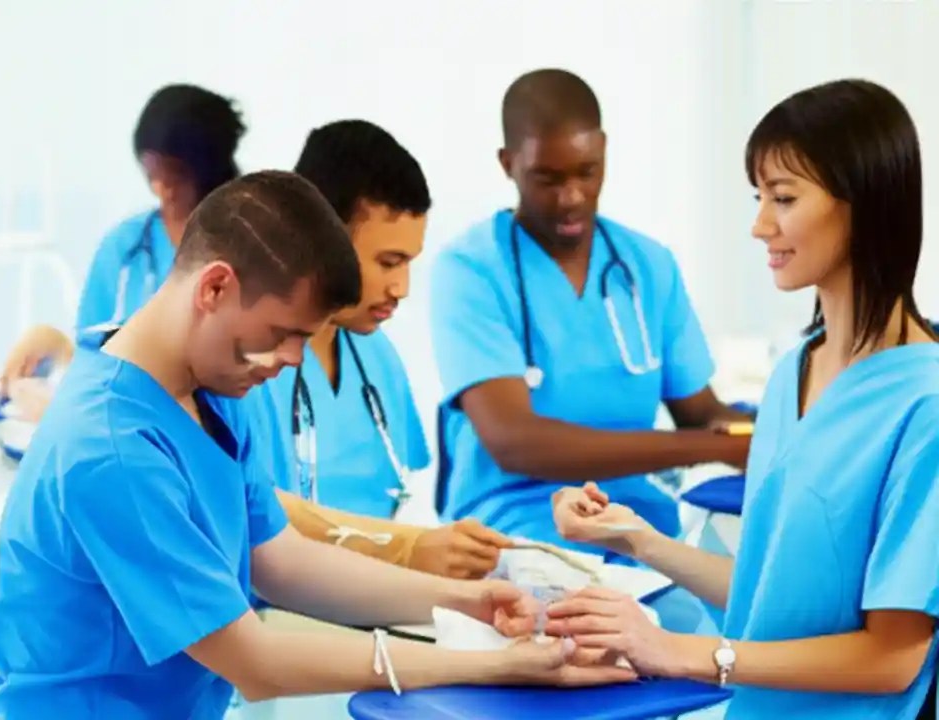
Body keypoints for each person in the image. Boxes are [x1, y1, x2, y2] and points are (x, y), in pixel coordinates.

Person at [0, 171, 635, 719]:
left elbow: (277, 559)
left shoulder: (202, 387)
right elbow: (255, 663)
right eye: (281, 333)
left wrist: (467, 601)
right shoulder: (114, 449)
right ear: (214, 287)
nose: (291, 361)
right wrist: (488, 666)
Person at [548, 79, 938, 719]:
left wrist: (679, 652)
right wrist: (636, 539)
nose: (760, 226)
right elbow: (769, 597)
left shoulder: (925, 405)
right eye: (759, 198)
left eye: (783, 198)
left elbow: (892, 659)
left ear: (864, 204)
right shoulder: (794, 373)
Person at [430, 68, 750, 550]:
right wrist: (713, 447)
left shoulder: (647, 265)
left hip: (636, 527)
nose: (572, 197)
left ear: (604, 151)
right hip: (515, 532)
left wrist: (771, 428)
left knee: (722, 613)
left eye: (588, 171)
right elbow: (515, 442)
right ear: (507, 163)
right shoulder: (471, 270)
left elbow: (701, 411)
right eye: (548, 178)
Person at [261, 119, 512, 579]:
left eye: (409, 263)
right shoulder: (248, 368)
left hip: (378, 597)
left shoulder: (377, 358)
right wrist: (408, 549)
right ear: (320, 237)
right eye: (388, 263)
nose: (402, 288)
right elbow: (252, 512)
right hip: (283, 606)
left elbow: (407, 501)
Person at [1, 83, 247, 393]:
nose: (161, 189)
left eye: (175, 177)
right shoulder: (124, 249)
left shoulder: (251, 246)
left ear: (208, 168)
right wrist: (55, 346)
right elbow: (91, 356)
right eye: (152, 176)